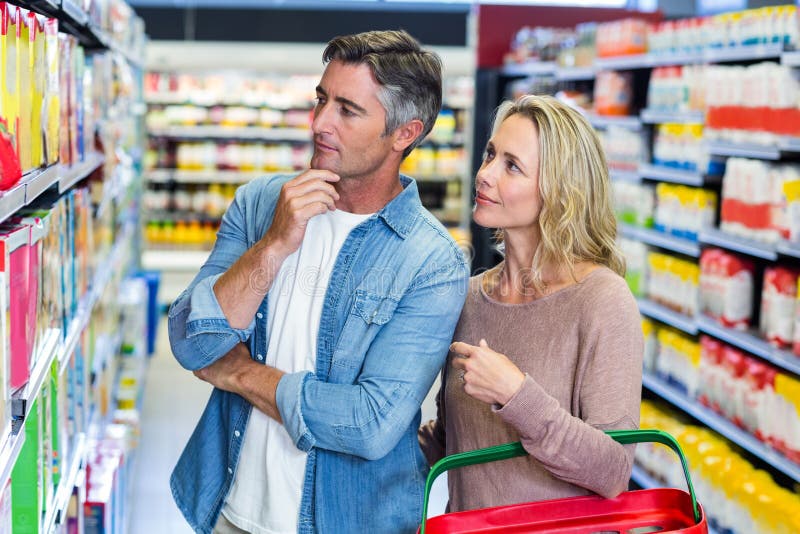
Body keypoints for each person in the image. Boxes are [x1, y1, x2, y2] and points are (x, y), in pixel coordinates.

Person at [168, 30, 469, 534]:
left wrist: (241, 374)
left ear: (403, 134)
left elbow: (370, 424)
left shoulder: (431, 261)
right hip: (228, 508)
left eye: (348, 110)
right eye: (321, 99)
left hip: (348, 521)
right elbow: (191, 343)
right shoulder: (261, 203)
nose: (319, 123)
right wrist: (276, 244)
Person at [419, 94, 643, 513]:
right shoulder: (467, 298)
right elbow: (456, 445)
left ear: (559, 191)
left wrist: (515, 394)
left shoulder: (601, 300)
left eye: (512, 166)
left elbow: (613, 471)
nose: (484, 175)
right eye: (490, 155)